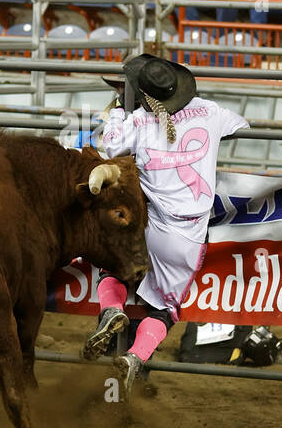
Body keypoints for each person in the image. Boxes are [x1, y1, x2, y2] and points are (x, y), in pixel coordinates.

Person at [83, 54, 249, 387]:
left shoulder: (137, 122)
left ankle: (110, 310)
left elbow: (110, 145)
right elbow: (241, 124)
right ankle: (136, 357)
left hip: (147, 225)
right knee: (164, 308)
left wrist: (119, 110)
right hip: (187, 236)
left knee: (112, 268)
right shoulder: (212, 112)